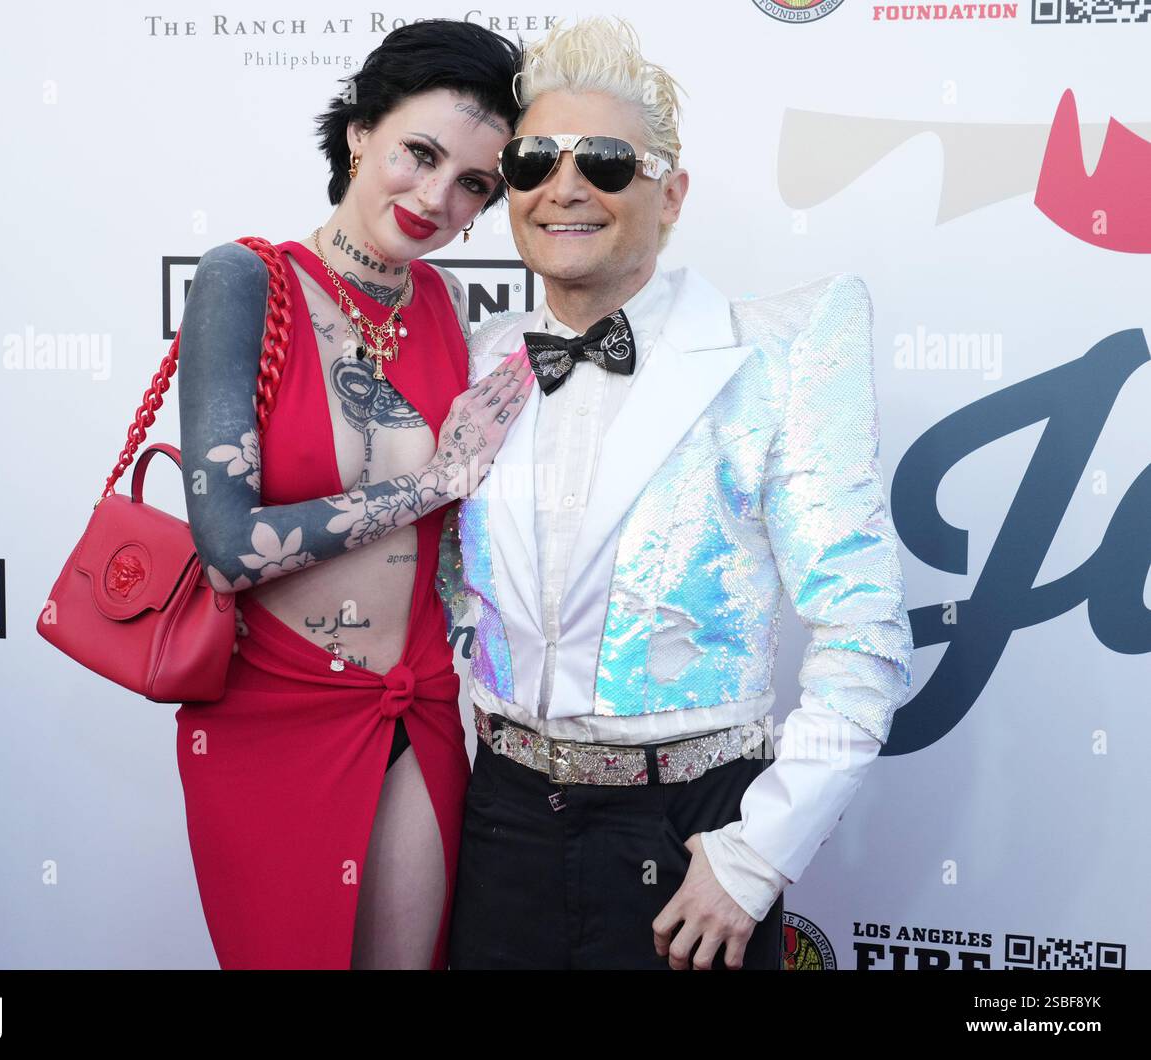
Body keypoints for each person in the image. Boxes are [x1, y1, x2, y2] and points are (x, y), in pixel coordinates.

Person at [441, 16, 915, 970]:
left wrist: (755, 854)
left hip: (688, 830)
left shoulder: (777, 355)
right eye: (534, 161)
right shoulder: (476, 363)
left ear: (671, 192)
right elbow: (449, 590)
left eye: (608, 162)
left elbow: (862, 630)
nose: (565, 187)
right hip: (497, 816)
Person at [172, 19, 536, 970]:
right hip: (272, 712)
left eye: (473, 186)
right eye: (419, 153)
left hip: (416, 701)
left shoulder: (448, 311)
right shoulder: (246, 281)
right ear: (359, 132)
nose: (436, 198)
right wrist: (435, 483)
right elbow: (226, 544)